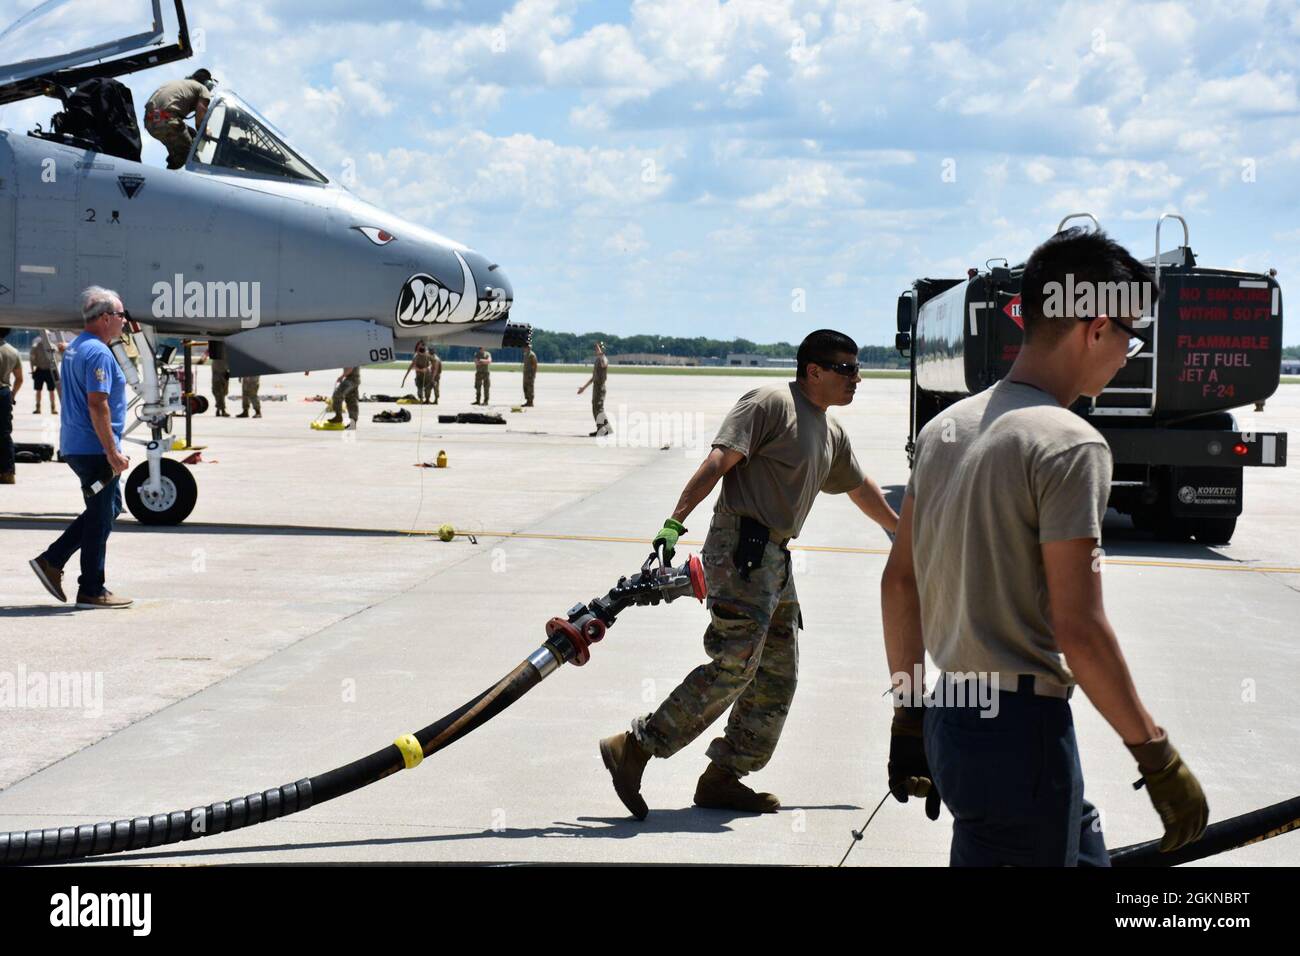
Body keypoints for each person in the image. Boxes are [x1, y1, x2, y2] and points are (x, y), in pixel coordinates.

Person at [880, 228, 1209, 866]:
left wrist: (910, 713)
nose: (1129, 354)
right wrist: (1156, 755)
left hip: (954, 714)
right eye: (1131, 336)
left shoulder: (946, 428)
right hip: (1017, 733)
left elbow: (899, 582)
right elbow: (1079, 628)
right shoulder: (1069, 443)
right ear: (1094, 326)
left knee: (1081, 848)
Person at [599, 329, 899, 819]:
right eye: (846, 369)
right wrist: (676, 520)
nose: (856, 378)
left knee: (778, 674)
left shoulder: (830, 430)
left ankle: (724, 776)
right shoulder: (770, 403)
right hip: (742, 547)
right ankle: (635, 746)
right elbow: (720, 458)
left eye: (857, 368)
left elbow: (857, 486)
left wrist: (900, 531)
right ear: (814, 371)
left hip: (776, 559)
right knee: (735, 662)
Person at [29, 288, 133, 609]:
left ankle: (53, 559)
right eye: (120, 316)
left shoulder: (76, 348)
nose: (124, 321)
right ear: (105, 318)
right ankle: (91, 588)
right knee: (101, 517)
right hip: (94, 451)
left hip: (77, 445)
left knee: (107, 508)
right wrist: (112, 452)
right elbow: (97, 404)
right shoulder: (99, 354)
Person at [143, 69, 215, 170]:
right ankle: (170, 180)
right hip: (168, 122)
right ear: (207, 83)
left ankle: (174, 161)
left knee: (191, 136)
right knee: (189, 156)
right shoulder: (203, 89)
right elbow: (200, 120)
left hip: (150, 122)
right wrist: (207, 132)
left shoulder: (181, 83)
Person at [0, 328, 22, 484]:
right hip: (4, 393)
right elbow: (19, 378)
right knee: (5, 434)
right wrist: (12, 395)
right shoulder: (13, 351)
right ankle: (8, 472)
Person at [576, 341, 610, 436]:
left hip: (600, 387)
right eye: (597, 348)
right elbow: (594, 377)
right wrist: (584, 387)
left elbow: (604, 364)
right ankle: (601, 428)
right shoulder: (597, 360)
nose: (597, 350)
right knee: (595, 407)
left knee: (598, 408)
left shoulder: (603, 359)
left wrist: (600, 354)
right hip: (596, 386)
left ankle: (605, 429)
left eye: (599, 348)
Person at [30, 330, 59, 414]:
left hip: (50, 371)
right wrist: (32, 371)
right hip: (40, 370)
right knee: (38, 390)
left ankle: (53, 408)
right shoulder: (36, 346)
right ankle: (38, 407)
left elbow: (57, 360)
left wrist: (55, 371)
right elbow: (32, 359)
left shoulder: (53, 347)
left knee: (52, 391)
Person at [208, 340, 230, 416]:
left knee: (220, 392)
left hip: (221, 374)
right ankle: (222, 410)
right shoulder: (223, 352)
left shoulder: (218, 352)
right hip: (220, 374)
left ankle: (219, 409)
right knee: (220, 392)